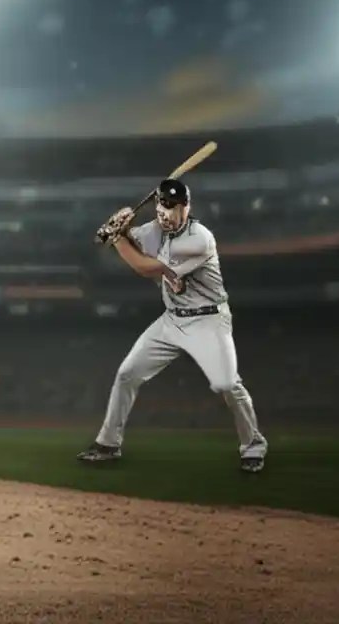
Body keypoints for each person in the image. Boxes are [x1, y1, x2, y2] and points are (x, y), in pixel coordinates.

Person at [79, 179, 268, 472]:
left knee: (226, 384)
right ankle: (108, 443)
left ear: (186, 207)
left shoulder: (199, 240)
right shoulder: (155, 228)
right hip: (172, 319)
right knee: (127, 373)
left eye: (171, 208)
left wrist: (118, 237)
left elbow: (145, 267)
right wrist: (119, 225)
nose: (164, 214)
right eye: (160, 207)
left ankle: (253, 447)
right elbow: (107, 240)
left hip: (208, 320)